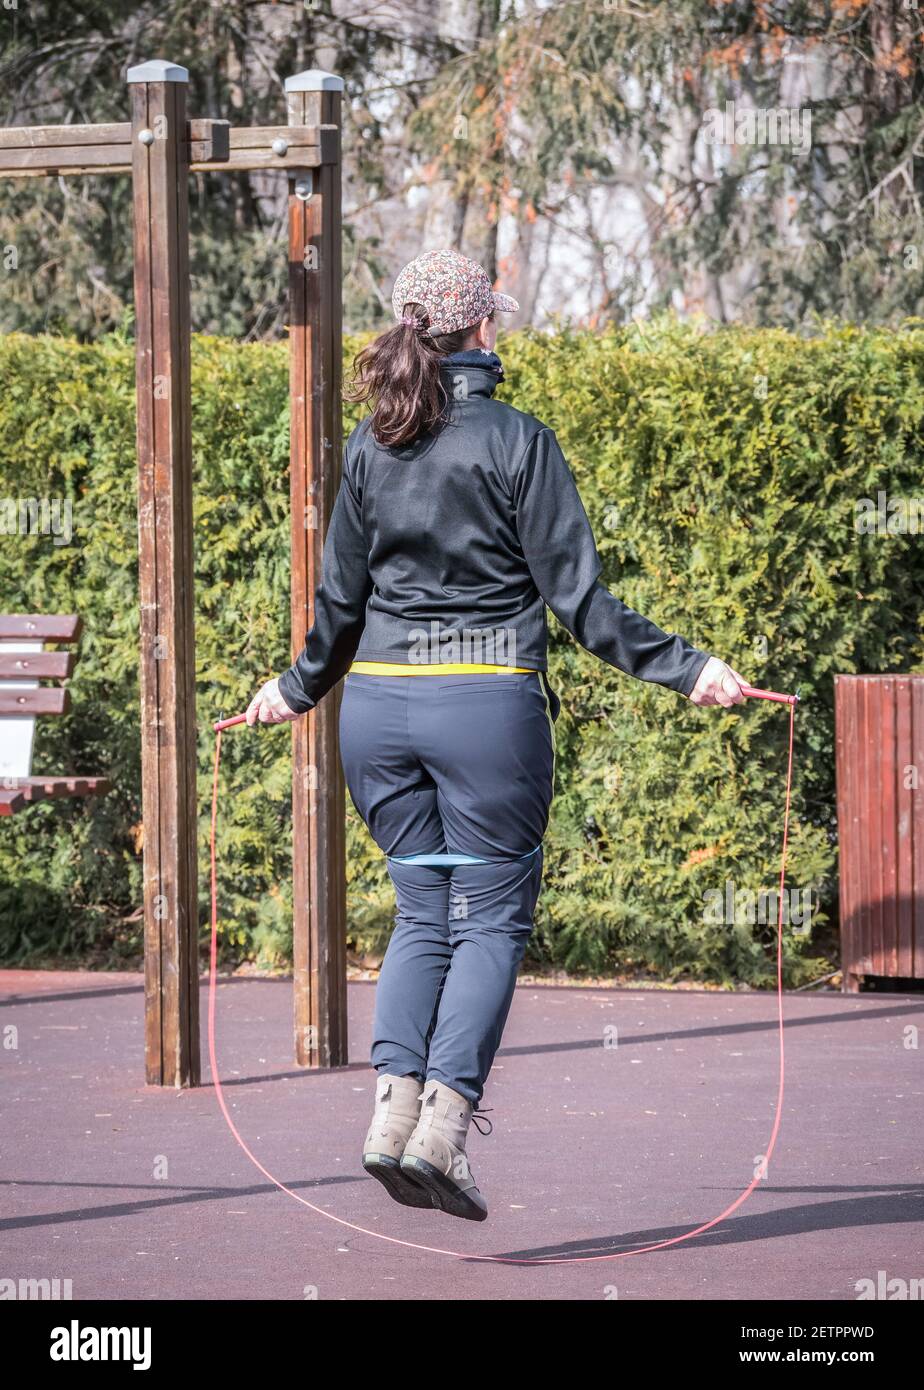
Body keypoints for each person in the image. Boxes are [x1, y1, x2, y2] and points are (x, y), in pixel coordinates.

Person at [246, 248, 746, 1223]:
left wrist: (295, 689)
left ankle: (390, 1118)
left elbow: (338, 605)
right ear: (481, 330)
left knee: (423, 913)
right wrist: (691, 668)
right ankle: (442, 1131)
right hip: (485, 709)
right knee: (489, 920)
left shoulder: (367, 444)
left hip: (379, 715)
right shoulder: (521, 441)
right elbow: (581, 602)